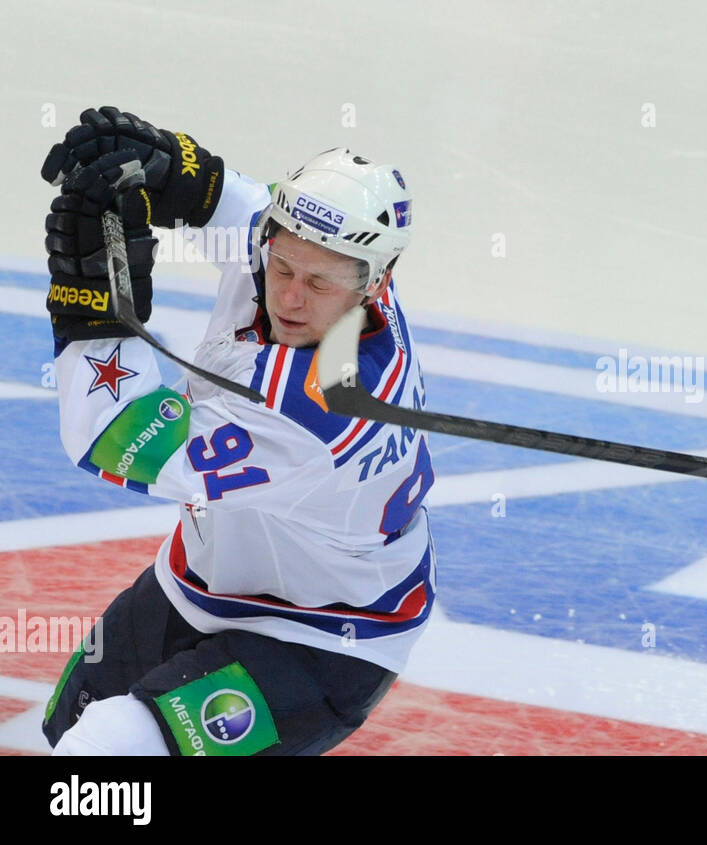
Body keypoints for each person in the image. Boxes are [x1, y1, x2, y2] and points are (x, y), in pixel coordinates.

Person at [39, 107, 434, 755]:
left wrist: (87, 295)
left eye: (318, 283)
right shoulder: (292, 250)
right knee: (66, 733)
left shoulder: (312, 415)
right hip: (200, 581)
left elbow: (109, 434)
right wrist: (169, 165)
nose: (291, 298)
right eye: (283, 268)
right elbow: (239, 208)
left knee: (101, 756)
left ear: (375, 283)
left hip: (320, 641)